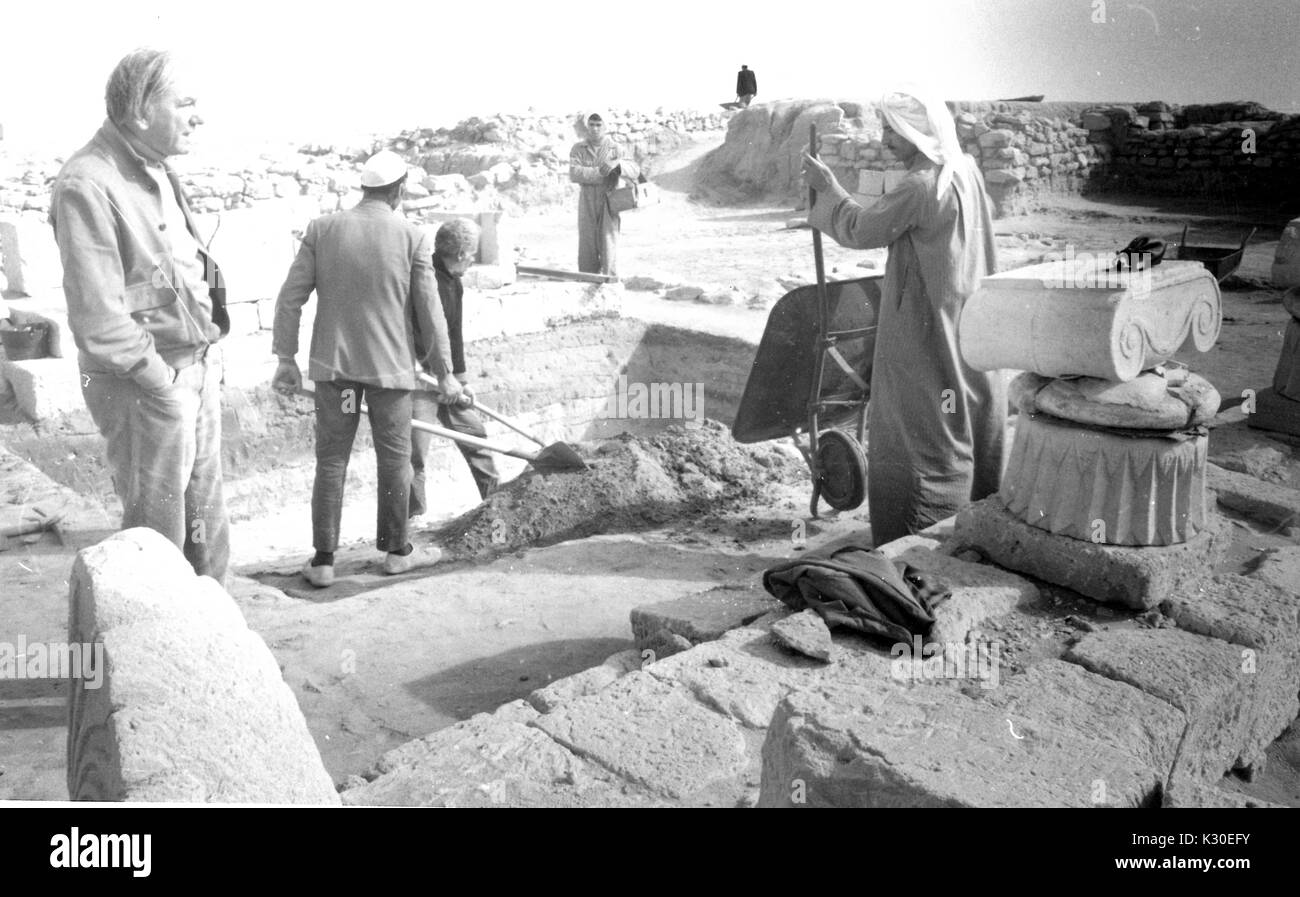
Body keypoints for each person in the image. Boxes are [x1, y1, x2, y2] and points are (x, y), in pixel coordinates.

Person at [49, 48, 231, 584]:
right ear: (140, 111)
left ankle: (217, 636)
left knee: (204, 514)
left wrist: (210, 338)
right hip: (145, 381)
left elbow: (187, 263)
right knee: (157, 530)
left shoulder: (155, 168)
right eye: (186, 103)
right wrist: (163, 383)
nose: (199, 117)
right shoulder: (88, 182)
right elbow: (98, 317)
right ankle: (159, 648)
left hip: (191, 366)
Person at [801, 88, 1006, 547]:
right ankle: (975, 521)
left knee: (919, 418)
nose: (885, 139)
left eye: (893, 130)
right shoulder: (965, 172)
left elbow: (861, 228)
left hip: (924, 321)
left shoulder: (919, 185)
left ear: (918, 132)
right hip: (965, 316)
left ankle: (915, 535)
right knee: (966, 408)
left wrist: (828, 189)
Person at [271, 150, 462, 587]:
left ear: (364, 188)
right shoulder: (412, 236)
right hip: (388, 375)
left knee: (332, 460)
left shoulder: (323, 229)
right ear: (398, 190)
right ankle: (397, 552)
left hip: (335, 372)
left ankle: (322, 561)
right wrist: (445, 371)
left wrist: (286, 357)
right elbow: (430, 314)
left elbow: (290, 298)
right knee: (395, 459)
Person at [409, 218, 499, 515]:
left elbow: (454, 332)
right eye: (472, 254)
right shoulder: (423, 278)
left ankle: (497, 503)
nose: (473, 261)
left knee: (475, 434)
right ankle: (413, 520)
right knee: (415, 454)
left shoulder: (454, 281)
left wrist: (460, 377)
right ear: (461, 253)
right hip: (420, 380)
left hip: (446, 376)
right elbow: (419, 332)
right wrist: (436, 376)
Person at [568, 111, 640, 278]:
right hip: (586, 199)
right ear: (587, 127)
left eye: (598, 125)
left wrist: (618, 166)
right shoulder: (579, 148)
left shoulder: (616, 148)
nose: (595, 129)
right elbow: (575, 173)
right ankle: (587, 280)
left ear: (605, 126)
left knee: (609, 241)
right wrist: (602, 172)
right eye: (591, 125)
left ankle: (610, 282)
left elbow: (635, 170)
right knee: (587, 243)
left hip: (609, 199)